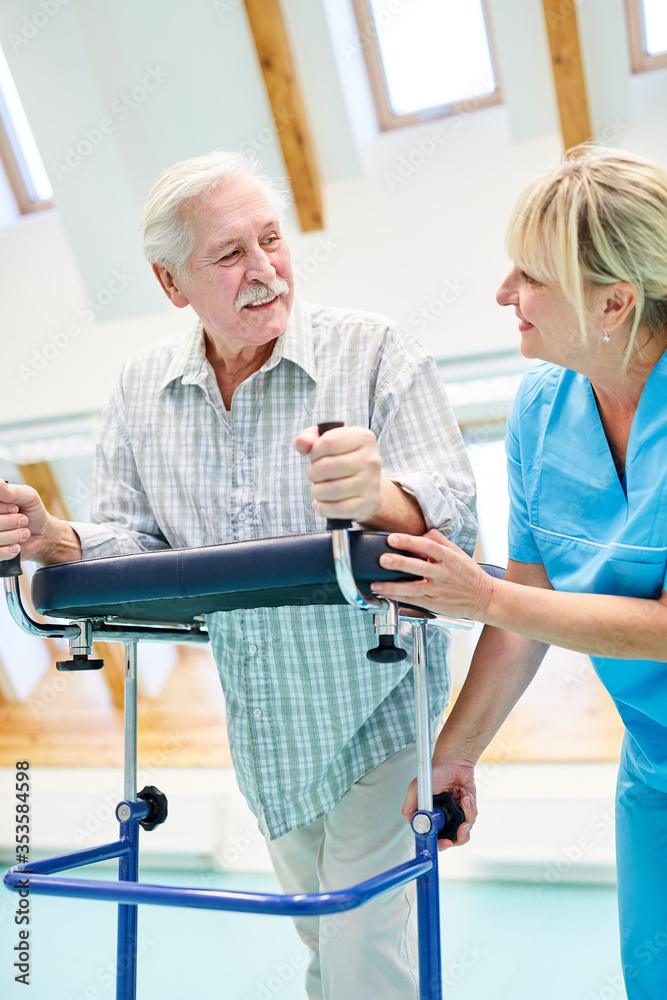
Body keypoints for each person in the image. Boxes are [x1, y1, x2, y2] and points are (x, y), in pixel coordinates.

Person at [0, 151, 476, 1000]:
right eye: (230, 254)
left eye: (271, 240)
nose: (265, 271)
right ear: (171, 283)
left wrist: (379, 498)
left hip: (381, 708)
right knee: (325, 952)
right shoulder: (141, 390)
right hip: (268, 732)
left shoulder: (370, 350)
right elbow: (135, 553)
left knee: (364, 949)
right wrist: (54, 537)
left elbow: (458, 517)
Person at [371, 145, 667, 1000]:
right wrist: (451, 757)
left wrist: (487, 592)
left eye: (529, 276)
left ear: (613, 301)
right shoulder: (542, 405)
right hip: (652, 767)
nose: (504, 294)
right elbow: (524, 606)